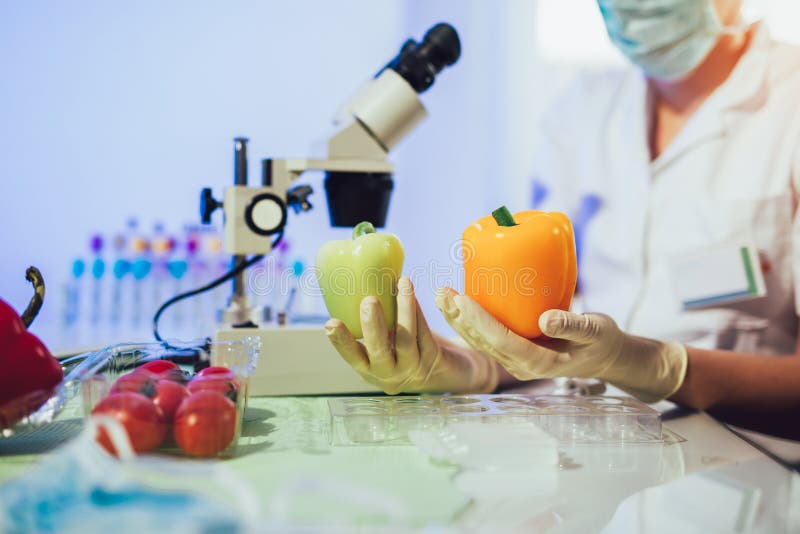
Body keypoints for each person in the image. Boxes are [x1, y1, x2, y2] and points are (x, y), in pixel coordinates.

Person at [324, 0, 800, 441]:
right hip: (591, 445)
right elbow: (546, 329)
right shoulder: (583, 112)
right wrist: (468, 367)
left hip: (744, 462)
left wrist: (660, 366)